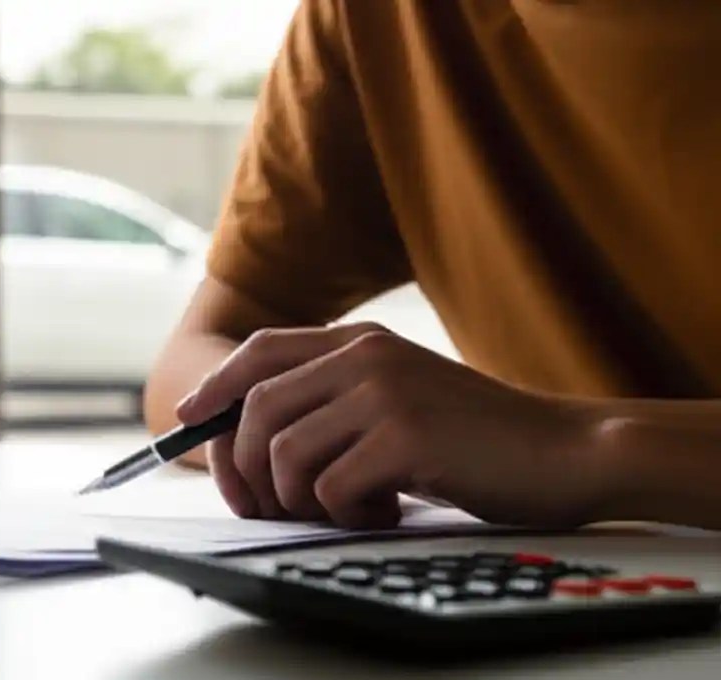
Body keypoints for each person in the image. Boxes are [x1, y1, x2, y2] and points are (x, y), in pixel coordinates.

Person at [144, 1, 721, 530]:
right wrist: (313, 421)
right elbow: (201, 351)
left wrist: (577, 445)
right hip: (582, 603)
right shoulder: (378, 21)